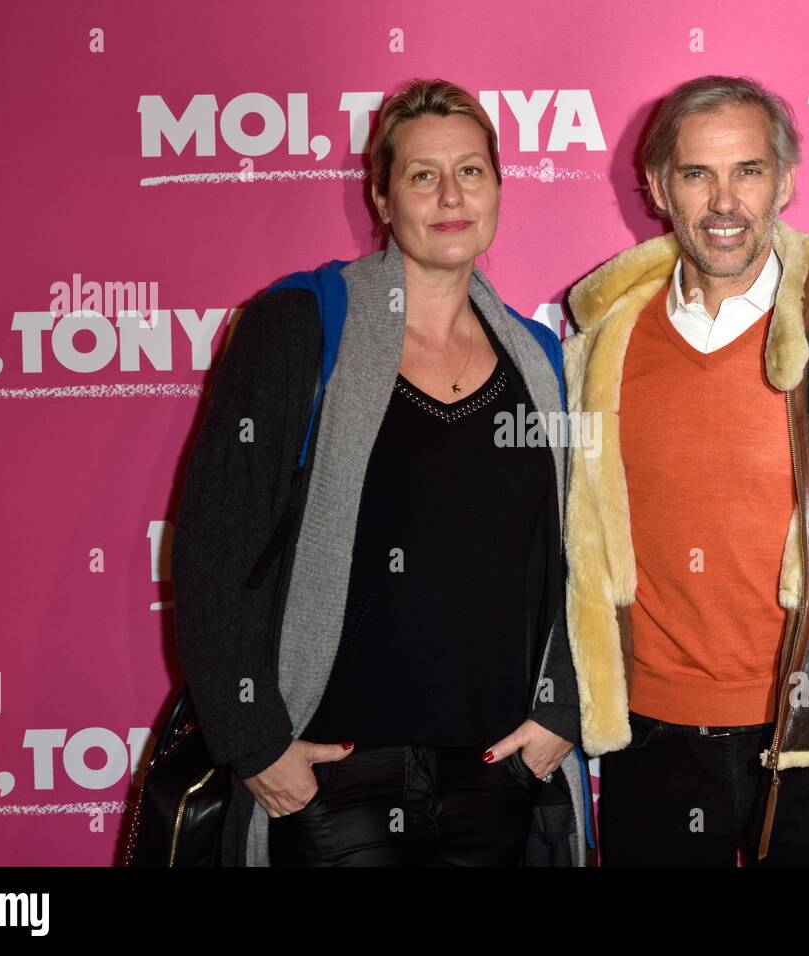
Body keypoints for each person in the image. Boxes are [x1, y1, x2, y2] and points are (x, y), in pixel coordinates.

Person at [171, 78, 588, 866]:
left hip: (498, 773)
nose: (450, 194)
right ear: (381, 195)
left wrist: (561, 705)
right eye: (422, 175)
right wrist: (255, 741)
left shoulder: (539, 359)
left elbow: (580, 558)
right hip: (332, 779)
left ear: (498, 187)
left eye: (471, 170)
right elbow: (216, 542)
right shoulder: (298, 327)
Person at [562, 75, 809, 866]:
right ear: (656, 186)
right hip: (650, 741)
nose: (724, 202)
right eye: (696, 173)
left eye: (748, 171)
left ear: (784, 180)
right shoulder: (600, 344)